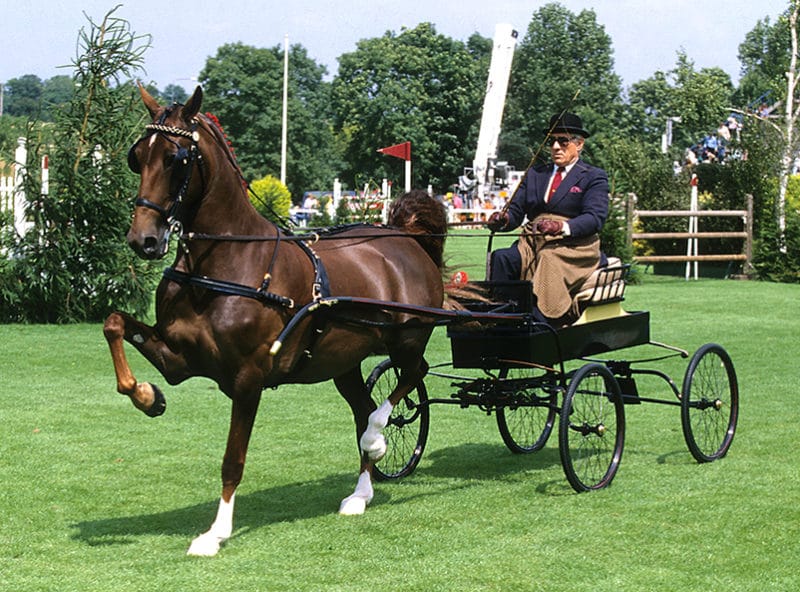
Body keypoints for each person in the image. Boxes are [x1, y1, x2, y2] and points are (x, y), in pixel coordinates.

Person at [486, 112, 609, 325]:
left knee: (548, 260)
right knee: (502, 258)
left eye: (563, 141)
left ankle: (541, 326)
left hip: (573, 246)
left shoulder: (592, 176)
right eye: (551, 141)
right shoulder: (535, 174)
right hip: (532, 243)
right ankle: (501, 321)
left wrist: (561, 226)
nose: (555, 146)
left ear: (579, 144)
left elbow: (594, 218)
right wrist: (504, 219)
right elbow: (516, 210)